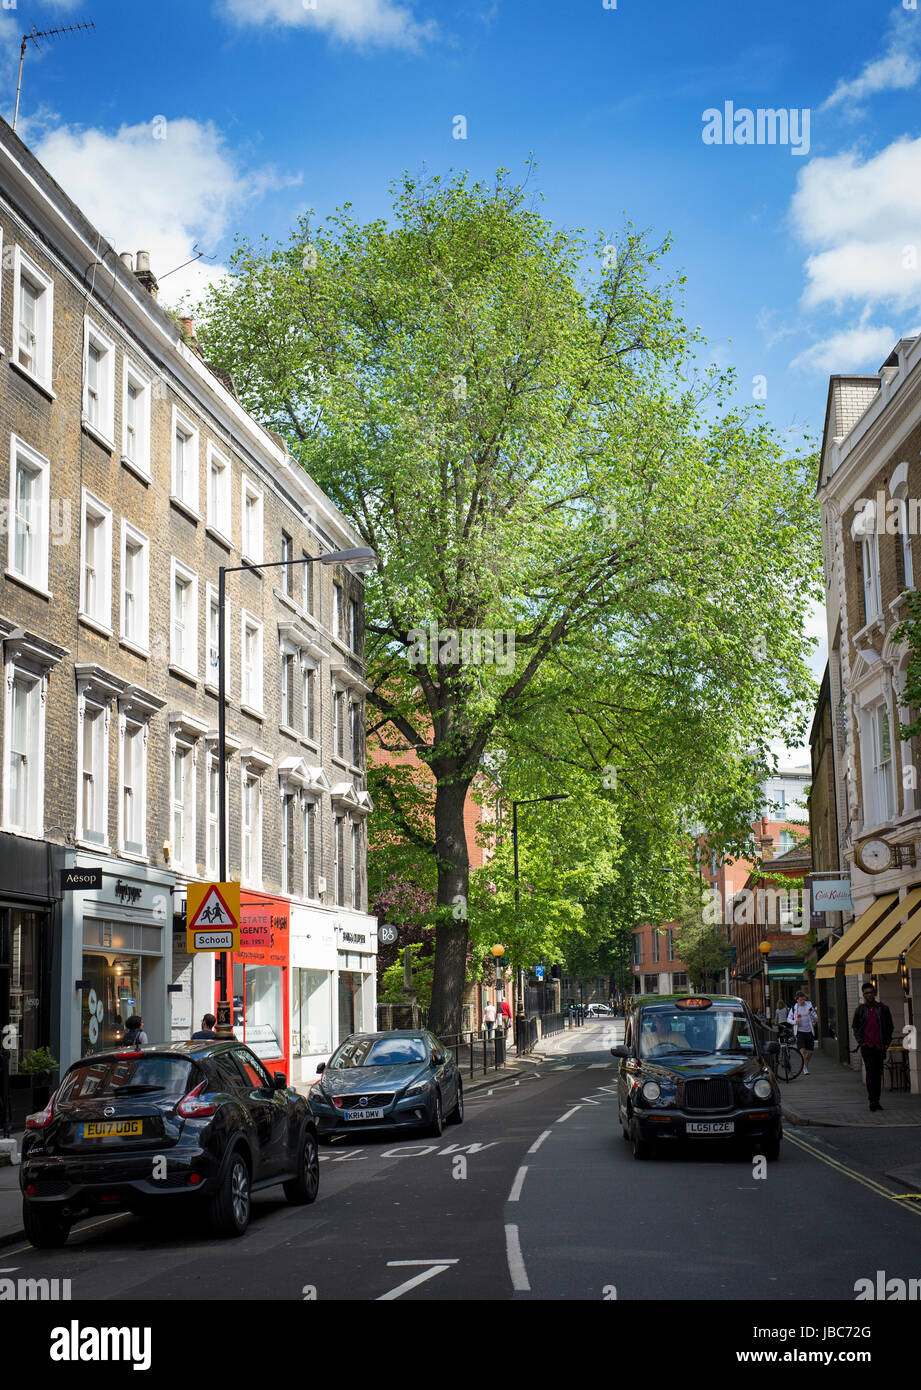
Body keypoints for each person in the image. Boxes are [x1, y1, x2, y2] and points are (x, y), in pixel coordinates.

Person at [852, 982, 894, 1113]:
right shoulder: (860, 1009)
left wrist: (886, 1042)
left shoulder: (883, 1008)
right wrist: (861, 1041)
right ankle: (872, 1101)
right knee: (870, 1073)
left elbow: (889, 1027)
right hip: (867, 1046)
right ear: (863, 995)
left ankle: (877, 1100)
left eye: (871, 992)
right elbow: (855, 1027)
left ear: (874, 993)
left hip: (879, 1046)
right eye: (867, 993)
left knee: (878, 1074)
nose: (869, 995)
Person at [787, 992, 818, 1074]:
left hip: (809, 1031)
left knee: (810, 1052)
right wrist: (794, 1022)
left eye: (804, 999)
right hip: (799, 1032)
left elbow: (816, 1018)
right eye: (801, 1000)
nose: (802, 1001)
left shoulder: (809, 1006)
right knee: (802, 1050)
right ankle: (804, 1068)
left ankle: (805, 1065)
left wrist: (811, 1014)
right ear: (797, 1000)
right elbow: (788, 1019)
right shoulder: (794, 1008)